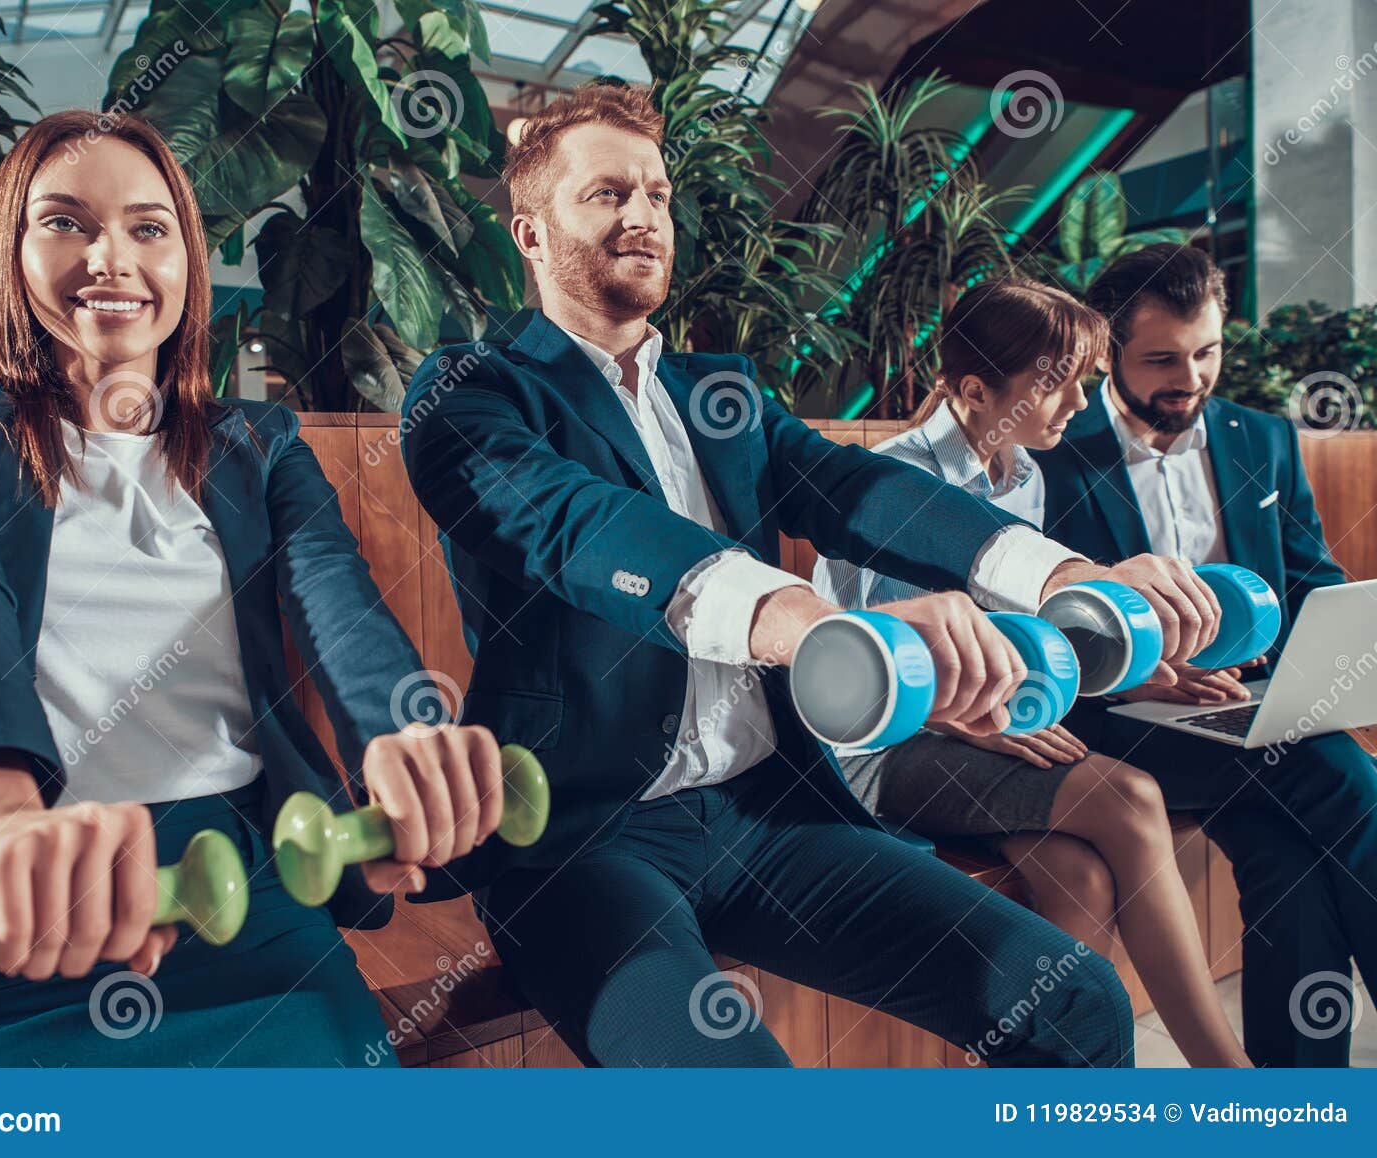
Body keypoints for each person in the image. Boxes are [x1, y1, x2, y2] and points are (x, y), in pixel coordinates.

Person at [398, 83, 1226, 1067]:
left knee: (1075, 1001)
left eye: (658, 195)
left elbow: (860, 489)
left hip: (767, 816)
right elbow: (587, 529)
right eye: (607, 194)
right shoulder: (467, 395)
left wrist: (1058, 573)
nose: (643, 216)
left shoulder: (722, 397)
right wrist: (819, 624)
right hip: (583, 844)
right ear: (530, 235)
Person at [0, 110, 504, 1067]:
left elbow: (340, 605)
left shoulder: (259, 446)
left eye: (149, 228)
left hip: (243, 887)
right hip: (17, 904)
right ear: (10, 252)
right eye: (66, 222)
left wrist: (406, 736)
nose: (112, 257)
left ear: (188, 260)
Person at [812, 278, 1249, 1067]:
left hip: (986, 735)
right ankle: (1231, 1080)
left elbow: (1023, 639)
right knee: (1132, 796)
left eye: (1082, 377)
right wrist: (990, 718)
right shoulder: (893, 476)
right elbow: (882, 675)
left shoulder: (1023, 476)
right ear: (976, 390)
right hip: (880, 749)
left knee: (1079, 877)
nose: (1080, 403)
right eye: (1056, 381)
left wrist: (1141, 674)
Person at [1033, 242, 1377, 1067]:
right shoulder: (1053, 448)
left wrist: (1311, 672)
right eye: (1160, 359)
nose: (1189, 376)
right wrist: (1140, 666)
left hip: (1257, 715)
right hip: (1123, 724)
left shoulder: (1260, 439)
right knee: (1338, 773)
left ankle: (1295, 1111)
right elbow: (1032, 619)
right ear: (1109, 350)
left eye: (1208, 352)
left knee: (1288, 869)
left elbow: (1311, 580)